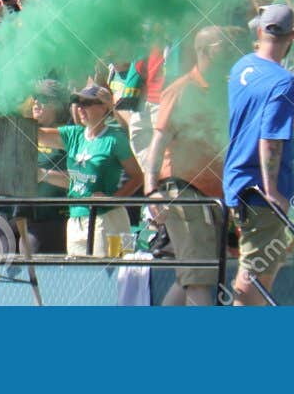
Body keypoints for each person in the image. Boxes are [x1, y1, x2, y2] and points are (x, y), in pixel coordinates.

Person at [144, 25, 235, 305]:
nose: (232, 51)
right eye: (224, 46)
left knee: (191, 276)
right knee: (198, 279)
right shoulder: (181, 90)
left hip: (214, 196)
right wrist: (151, 190)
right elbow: (158, 141)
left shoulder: (226, 90)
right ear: (205, 51)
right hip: (185, 191)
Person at [224, 3, 294, 305]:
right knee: (255, 277)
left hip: (237, 180)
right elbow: (270, 140)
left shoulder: (241, 66)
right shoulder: (284, 81)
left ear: (259, 32)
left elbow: (254, 108)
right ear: (291, 37)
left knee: (256, 268)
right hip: (259, 189)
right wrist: (272, 191)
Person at [38, 82, 142, 255]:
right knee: (79, 270)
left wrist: (113, 200)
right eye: (78, 103)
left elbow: (138, 176)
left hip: (107, 218)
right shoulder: (74, 134)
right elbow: (39, 135)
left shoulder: (115, 139)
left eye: (86, 103)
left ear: (104, 107)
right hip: (75, 217)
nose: (80, 108)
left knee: (107, 269)